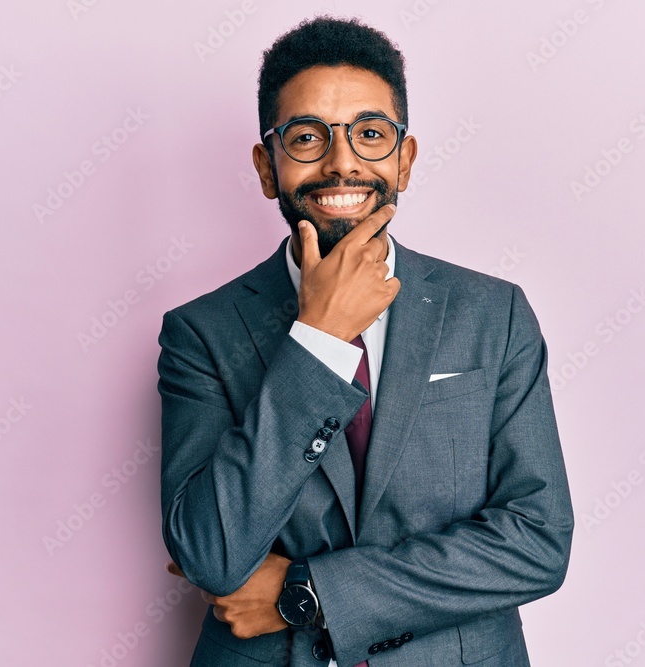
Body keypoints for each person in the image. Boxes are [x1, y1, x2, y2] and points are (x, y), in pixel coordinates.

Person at [157, 15, 574, 667]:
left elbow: (537, 542)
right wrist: (318, 339)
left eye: (370, 134)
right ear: (268, 167)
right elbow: (210, 552)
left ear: (403, 160)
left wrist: (309, 593)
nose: (342, 161)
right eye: (306, 137)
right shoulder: (200, 333)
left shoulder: (494, 314)